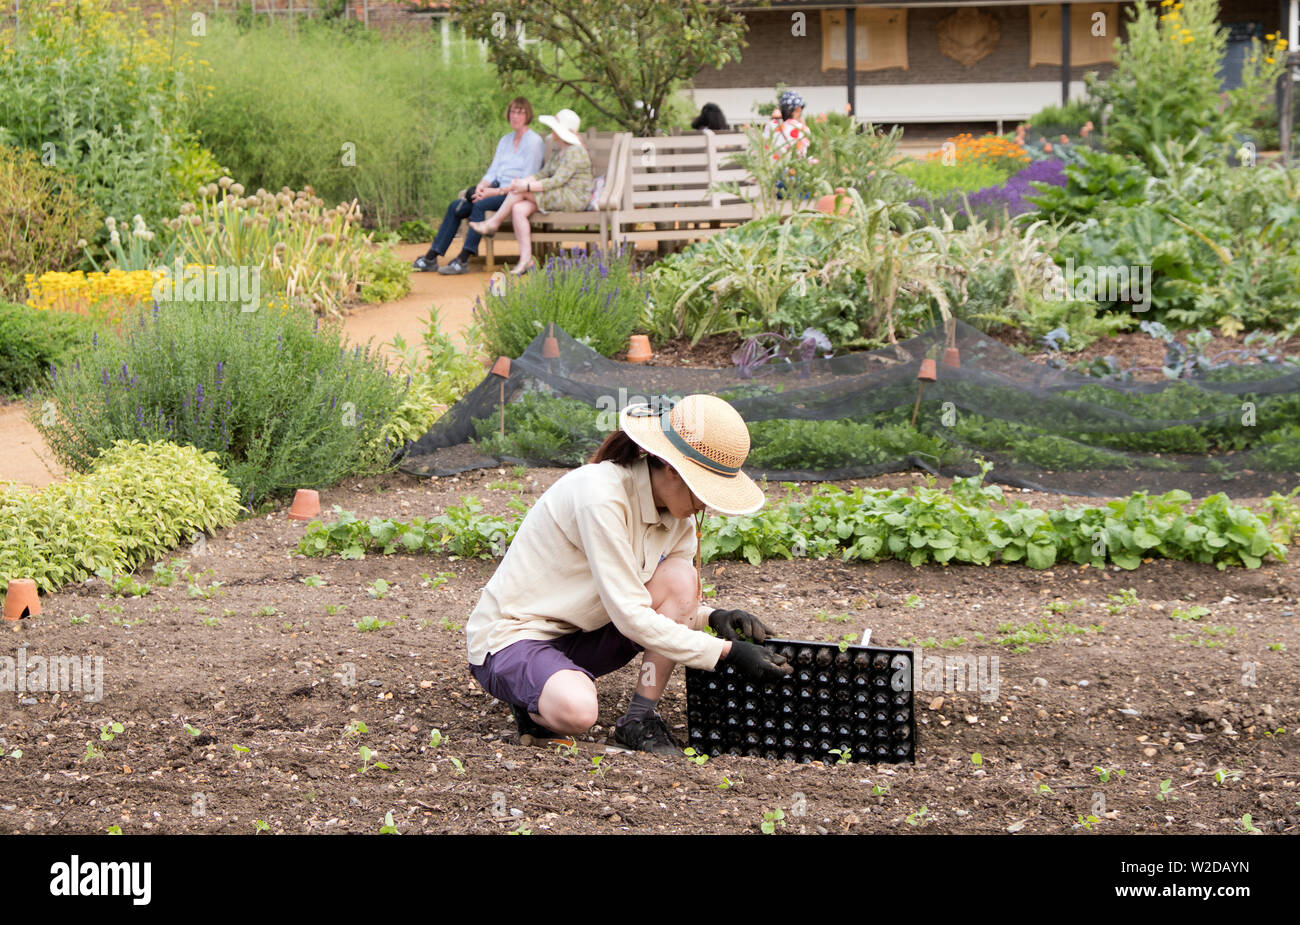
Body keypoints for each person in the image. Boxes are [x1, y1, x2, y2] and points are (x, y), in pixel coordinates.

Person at [464, 394, 792, 755]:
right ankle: (534, 699)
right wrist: (727, 652)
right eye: (704, 489)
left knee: (682, 577)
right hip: (513, 638)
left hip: (581, 634)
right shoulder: (600, 497)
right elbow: (632, 615)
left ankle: (639, 718)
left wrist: (714, 617)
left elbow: (663, 605)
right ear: (671, 467)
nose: (707, 504)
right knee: (578, 710)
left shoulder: (677, 514)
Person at [413, 97, 545, 275]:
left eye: (520, 112)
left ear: (527, 115)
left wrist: (492, 193)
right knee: (456, 206)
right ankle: (431, 256)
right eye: (513, 112)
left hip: (514, 193)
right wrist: (481, 188)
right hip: (495, 189)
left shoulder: (534, 142)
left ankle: (463, 259)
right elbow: (492, 171)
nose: (515, 116)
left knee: (480, 205)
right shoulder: (505, 140)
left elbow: (527, 180)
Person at [468, 108, 593, 276]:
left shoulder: (575, 152)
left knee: (520, 193)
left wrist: (525, 187)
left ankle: (493, 223)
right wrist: (523, 182)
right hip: (558, 193)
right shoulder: (560, 151)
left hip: (573, 197)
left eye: (554, 127)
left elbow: (557, 181)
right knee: (519, 209)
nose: (551, 130)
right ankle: (525, 259)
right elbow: (543, 174)